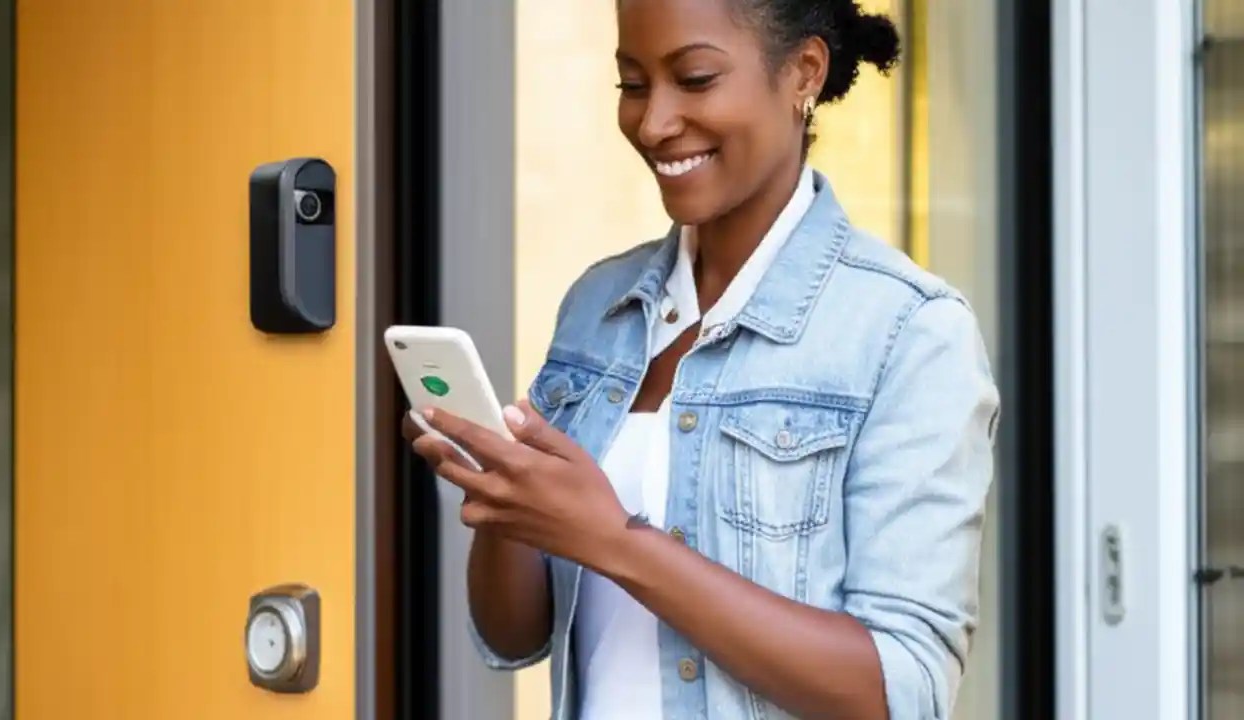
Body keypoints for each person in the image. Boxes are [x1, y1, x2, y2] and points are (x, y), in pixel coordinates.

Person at [404, 0, 1000, 717]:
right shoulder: (599, 305)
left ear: (804, 72)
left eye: (694, 78)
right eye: (631, 84)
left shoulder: (908, 333)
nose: (654, 123)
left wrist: (617, 542)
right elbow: (514, 636)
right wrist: (506, 506)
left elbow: (902, 690)